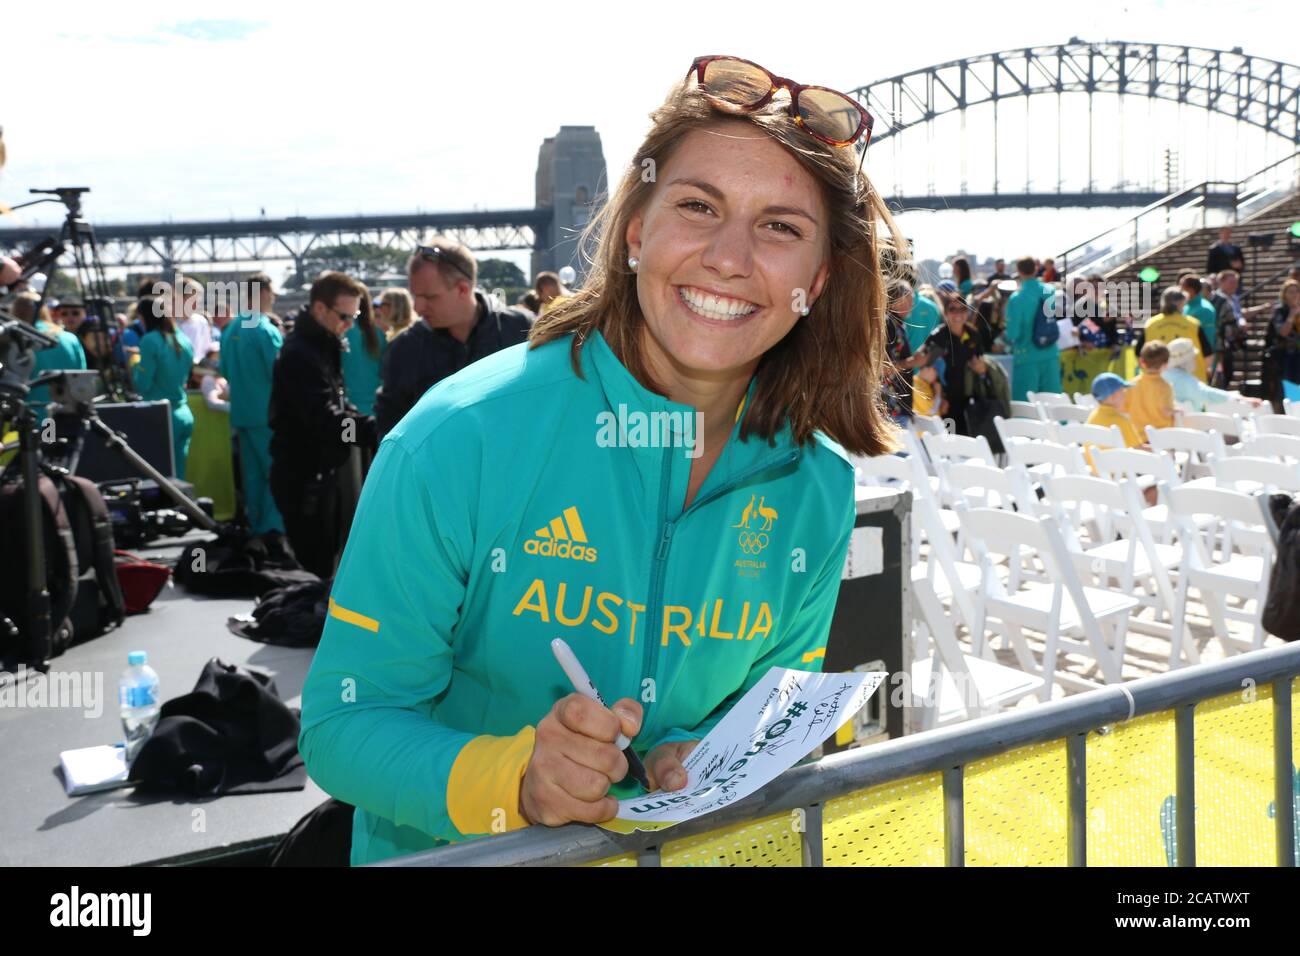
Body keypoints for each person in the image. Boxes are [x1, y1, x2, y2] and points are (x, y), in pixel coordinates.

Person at [299, 54, 901, 865]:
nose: (730, 257)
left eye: (780, 227)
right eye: (698, 206)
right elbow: (342, 725)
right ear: (634, 233)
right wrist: (513, 781)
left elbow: (762, 716)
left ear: (819, 279)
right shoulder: (461, 438)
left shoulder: (817, 488)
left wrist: (689, 751)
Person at [268, 272, 377, 578]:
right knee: (315, 566)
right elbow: (325, 418)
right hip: (304, 474)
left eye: (354, 315)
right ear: (319, 309)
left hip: (317, 470)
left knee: (325, 562)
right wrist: (372, 430)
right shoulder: (301, 353)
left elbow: (337, 405)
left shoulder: (321, 344)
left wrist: (368, 424)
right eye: (345, 316)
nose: (350, 324)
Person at [372, 238, 532, 438]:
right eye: (415, 296)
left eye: (429, 297)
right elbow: (389, 430)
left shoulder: (522, 329)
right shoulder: (404, 348)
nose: (417, 308)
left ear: (463, 289)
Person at [221, 271, 285, 536]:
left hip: (242, 414)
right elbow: (281, 374)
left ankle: (257, 525)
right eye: (271, 293)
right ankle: (272, 529)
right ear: (262, 293)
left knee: (253, 478)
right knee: (276, 474)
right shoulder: (263, 329)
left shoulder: (231, 329)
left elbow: (224, 370)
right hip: (268, 415)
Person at [134, 296, 196, 480]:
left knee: (158, 482)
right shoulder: (183, 339)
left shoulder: (149, 340)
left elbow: (142, 384)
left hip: (161, 418)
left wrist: (135, 364)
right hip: (183, 414)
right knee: (179, 478)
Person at [922, 296, 996, 432]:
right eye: (952, 309)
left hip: (970, 401)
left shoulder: (973, 335)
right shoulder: (939, 338)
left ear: (968, 312)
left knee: (971, 443)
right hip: (947, 403)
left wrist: (982, 370)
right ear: (945, 313)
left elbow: (980, 364)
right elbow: (927, 371)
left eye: (962, 309)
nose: (958, 313)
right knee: (949, 444)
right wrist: (939, 398)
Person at [10, 291, 86, 413]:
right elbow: (82, 378)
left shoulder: (12, 341)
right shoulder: (70, 338)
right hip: (67, 416)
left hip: (29, 420)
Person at [1004, 255, 1061, 401]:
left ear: (1019, 271)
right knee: (1054, 406)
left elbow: (1012, 333)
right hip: (1050, 354)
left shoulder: (1017, 298)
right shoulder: (1049, 291)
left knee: (1026, 409)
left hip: (1026, 357)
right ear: (1036, 268)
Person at [1162, 337, 1261, 412]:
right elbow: (1209, 394)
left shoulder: (1162, 376)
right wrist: (1240, 398)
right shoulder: (1186, 380)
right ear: (1186, 360)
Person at [1135, 287, 1211, 383]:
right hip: (1191, 379)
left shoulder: (1150, 324)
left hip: (1159, 379)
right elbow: (1208, 354)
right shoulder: (1193, 324)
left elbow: (1138, 353)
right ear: (1181, 303)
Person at [341, 284, 385, 417]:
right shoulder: (381, 333)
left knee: (350, 439)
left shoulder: (341, 332)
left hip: (348, 409)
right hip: (377, 408)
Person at [1126, 342, 1176, 435]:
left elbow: (1124, 409)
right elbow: (1166, 411)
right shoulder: (1164, 386)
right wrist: (1175, 411)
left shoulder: (1130, 384)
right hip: (1161, 436)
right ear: (1165, 364)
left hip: (1138, 436)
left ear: (1141, 362)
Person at [1269, 278, 1300, 387]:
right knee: (1289, 387)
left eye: (1297, 291)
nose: (1295, 295)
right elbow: (1283, 333)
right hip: (1285, 356)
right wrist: (1292, 314)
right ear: (1284, 294)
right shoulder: (1280, 310)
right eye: (1291, 292)